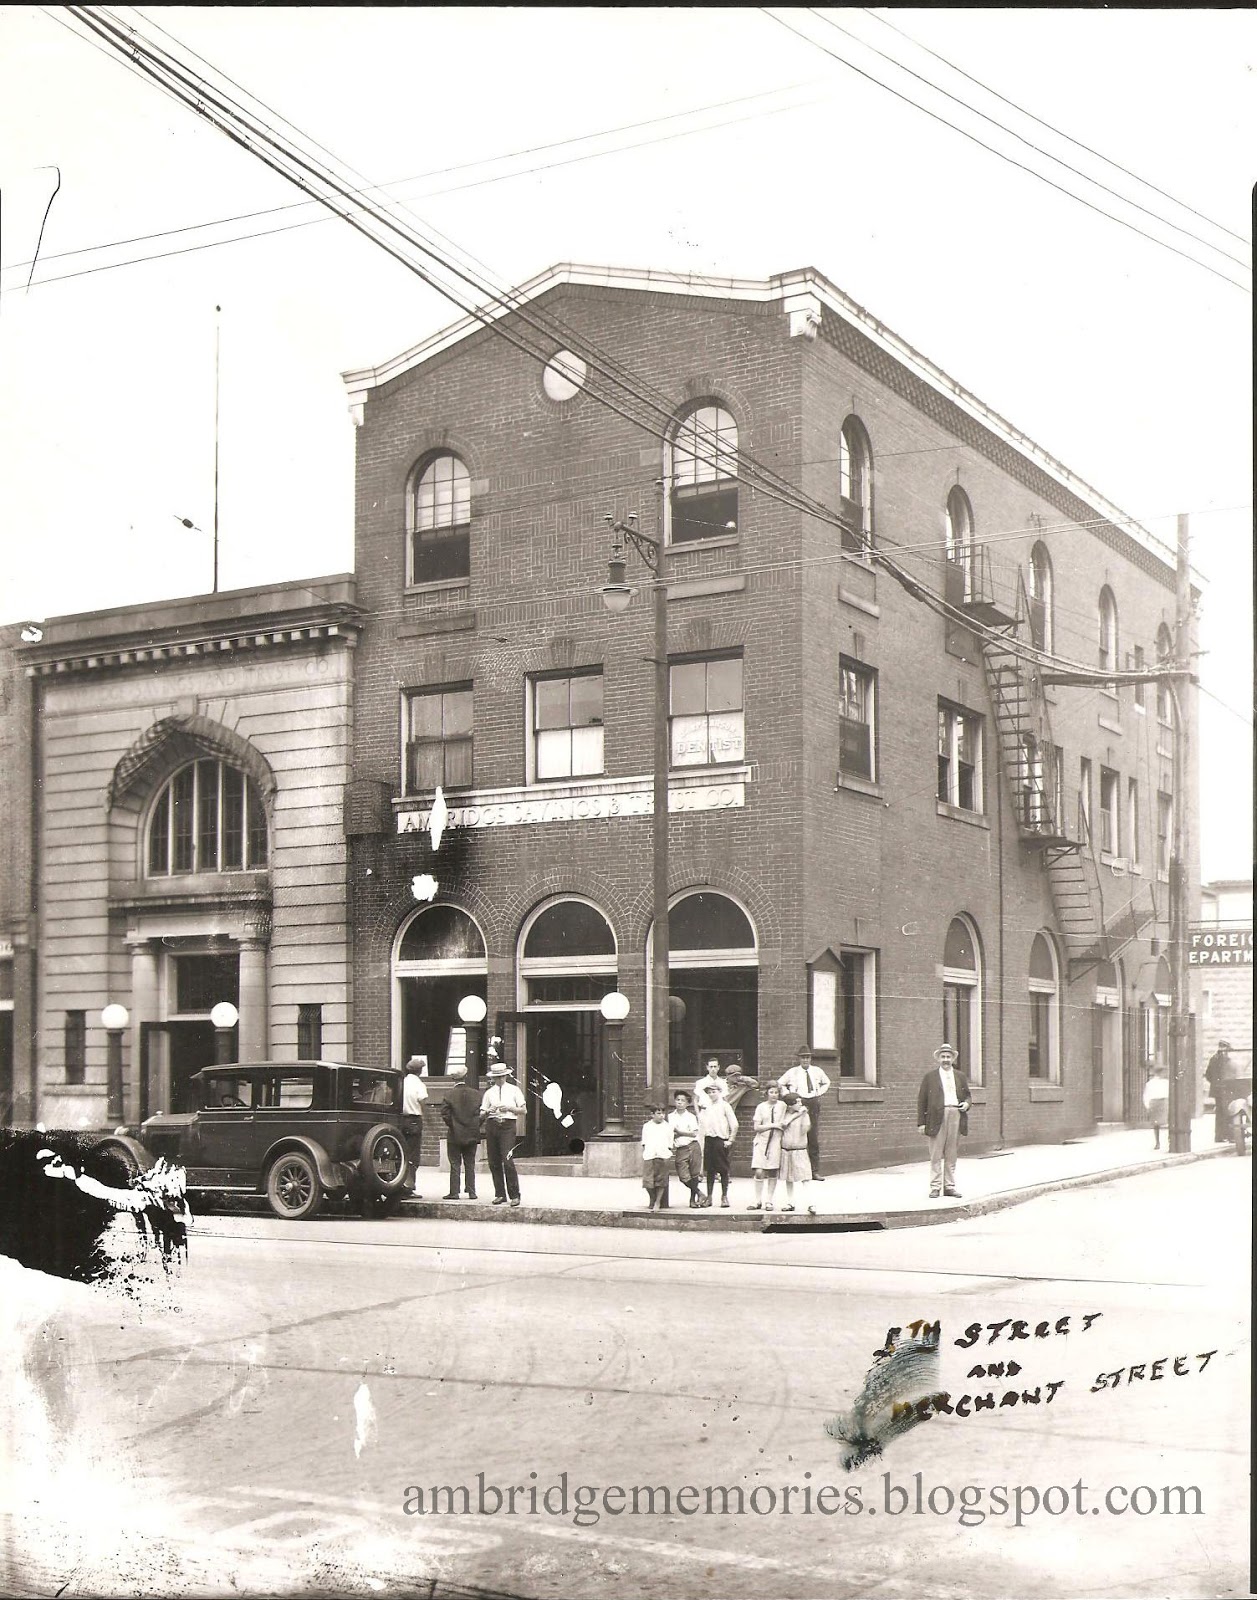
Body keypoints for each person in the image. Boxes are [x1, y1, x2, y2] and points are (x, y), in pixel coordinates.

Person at [916, 1042, 972, 1200]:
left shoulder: (960, 1076)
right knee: (935, 1153)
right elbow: (922, 1100)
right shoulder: (930, 1077)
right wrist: (921, 1123)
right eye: (943, 1057)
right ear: (938, 1059)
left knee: (951, 1153)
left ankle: (949, 1187)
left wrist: (967, 1103)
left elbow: (968, 1095)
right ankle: (935, 1187)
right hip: (936, 1117)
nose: (946, 1060)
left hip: (956, 1113)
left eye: (948, 1057)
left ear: (953, 1058)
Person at [480, 1058, 527, 1208]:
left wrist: (509, 1108)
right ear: (493, 1078)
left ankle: (515, 1194)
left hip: (507, 1125)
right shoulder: (489, 1093)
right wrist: (488, 1111)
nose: (499, 1080)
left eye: (502, 1076)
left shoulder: (514, 1090)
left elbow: (523, 1110)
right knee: (493, 1161)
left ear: (506, 1076)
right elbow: (481, 1114)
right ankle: (500, 1193)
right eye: (496, 1077)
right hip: (492, 1125)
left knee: (507, 1159)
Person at [778, 1045, 831, 1179]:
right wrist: (789, 1095)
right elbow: (780, 1083)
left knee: (812, 1135)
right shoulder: (792, 1072)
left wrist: (819, 1093)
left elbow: (827, 1082)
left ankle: (814, 1171)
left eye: (807, 1057)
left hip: (813, 1102)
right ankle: (798, 1171)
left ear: (811, 1058)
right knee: (797, 1133)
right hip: (799, 1102)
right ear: (799, 1059)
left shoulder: (817, 1071)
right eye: (802, 1058)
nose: (805, 1060)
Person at [439, 1063, 481, 1199]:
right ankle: (471, 1191)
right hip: (472, 1133)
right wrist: (475, 1125)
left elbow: (445, 1114)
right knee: (470, 1163)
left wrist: (453, 1125)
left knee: (455, 1163)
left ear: (453, 1079)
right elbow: (480, 1114)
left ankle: (454, 1192)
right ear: (466, 1077)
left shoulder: (448, 1094)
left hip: (455, 1134)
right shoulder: (476, 1094)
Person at [696, 1078, 738, 1208]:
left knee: (723, 1170)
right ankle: (709, 1197)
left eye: (713, 1091)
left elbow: (734, 1124)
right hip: (709, 1140)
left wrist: (730, 1140)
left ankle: (724, 1197)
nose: (711, 1094)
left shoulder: (725, 1106)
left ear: (719, 1092)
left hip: (721, 1140)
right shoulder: (706, 1107)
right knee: (710, 1170)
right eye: (709, 1092)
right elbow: (702, 1125)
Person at [748, 1082, 785, 1211]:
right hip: (761, 1142)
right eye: (771, 1092)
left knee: (772, 1171)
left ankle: (769, 1201)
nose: (774, 1095)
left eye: (776, 1092)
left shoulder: (783, 1106)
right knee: (759, 1172)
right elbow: (756, 1127)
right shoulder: (761, 1107)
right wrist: (773, 1125)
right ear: (766, 1093)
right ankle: (757, 1200)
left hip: (775, 1142)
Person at [778, 1091, 815, 1214]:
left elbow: (805, 1129)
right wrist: (797, 1114)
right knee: (788, 1178)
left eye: (800, 1102)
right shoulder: (784, 1115)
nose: (800, 1104)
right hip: (786, 1149)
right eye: (797, 1102)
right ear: (789, 1105)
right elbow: (783, 1124)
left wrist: (802, 1115)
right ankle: (790, 1202)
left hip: (799, 1150)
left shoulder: (804, 1115)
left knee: (805, 1177)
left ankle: (811, 1203)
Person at [668, 1090, 704, 1208]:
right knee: (683, 1176)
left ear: (687, 1103)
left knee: (694, 1175)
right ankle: (700, 1193)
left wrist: (679, 1132)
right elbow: (670, 1134)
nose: (680, 1102)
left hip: (693, 1146)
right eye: (678, 1100)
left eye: (683, 1100)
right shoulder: (670, 1117)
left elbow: (694, 1134)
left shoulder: (691, 1117)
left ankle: (693, 1200)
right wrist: (682, 1134)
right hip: (681, 1148)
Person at [401, 1056, 429, 1193]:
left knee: (401, 1153)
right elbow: (422, 1102)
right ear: (420, 1071)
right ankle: (409, 1187)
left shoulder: (402, 1082)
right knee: (413, 1155)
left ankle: (400, 1183)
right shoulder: (419, 1085)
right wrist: (426, 1117)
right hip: (414, 1120)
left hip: (401, 1120)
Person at [641, 1104, 673, 1212]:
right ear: (652, 1114)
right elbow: (644, 1142)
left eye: (663, 1113)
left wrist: (666, 1154)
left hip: (663, 1155)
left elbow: (669, 1143)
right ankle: (652, 1197)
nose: (661, 1116)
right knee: (648, 1181)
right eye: (658, 1113)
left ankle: (657, 1202)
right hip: (649, 1155)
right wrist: (647, 1153)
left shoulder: (668, 1127)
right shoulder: (647, 1126)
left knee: (661, 1181)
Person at [1204, 1041, 1235, 1144]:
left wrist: (1214, 1084)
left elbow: (1208, 1075)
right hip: (1225, 1089)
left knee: (1220, 1113)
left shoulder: (1214, 1058)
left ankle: (1220, 1136)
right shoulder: (1223, 1060)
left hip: (1219, 1090)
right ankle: (1229, 1136)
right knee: (1227, 1112)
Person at [1142, 1063, 1170, 1151]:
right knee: (1162, 1123)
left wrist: (1148, 1106)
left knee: (1157, 1125)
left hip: (1157, 1103)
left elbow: (1146, 1095)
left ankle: (1159, 1142)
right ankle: (1161, 1142)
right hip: (1161, 1102)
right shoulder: (1164, 1082)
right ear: (1159, 1073)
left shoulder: (1151, 1083)